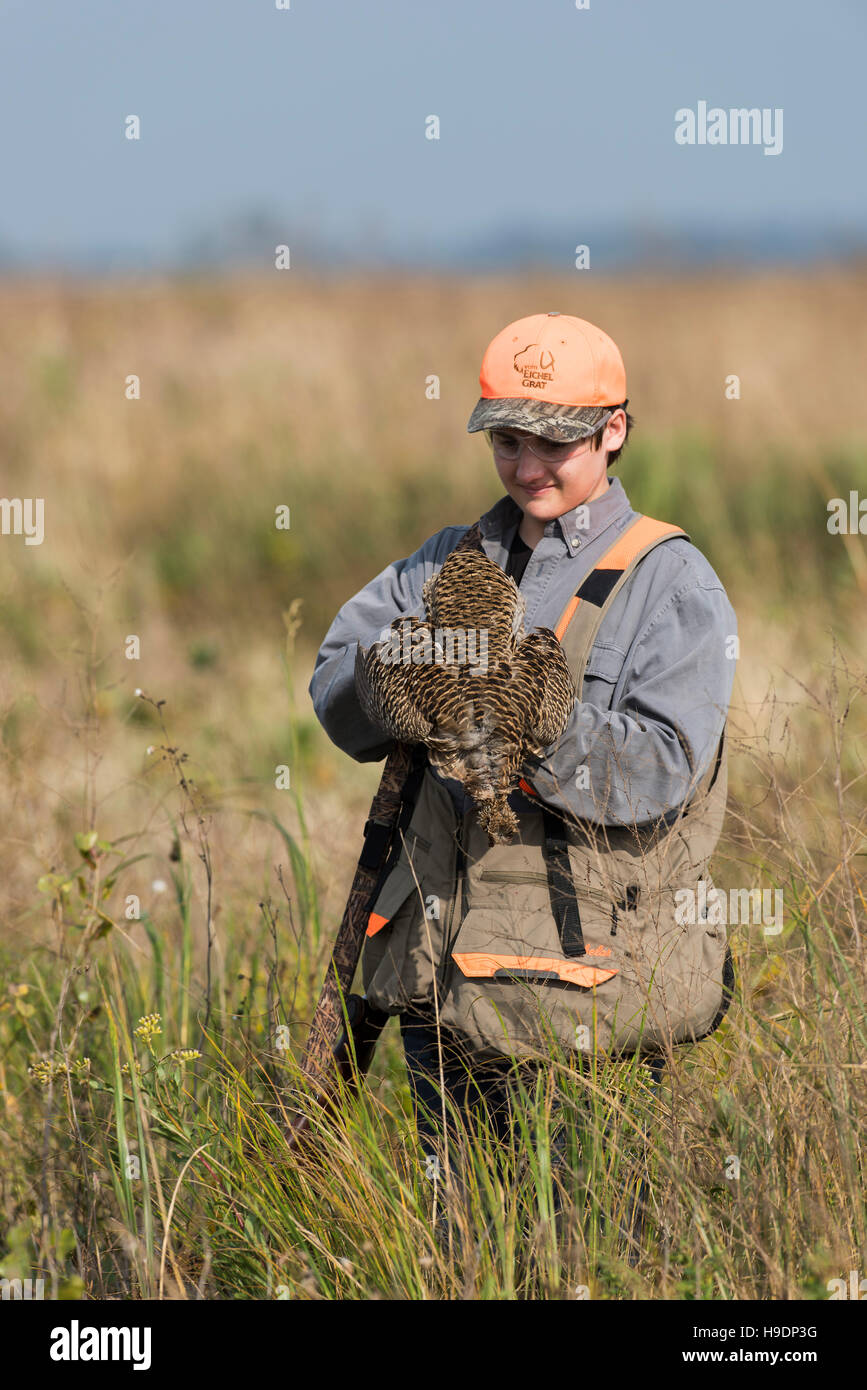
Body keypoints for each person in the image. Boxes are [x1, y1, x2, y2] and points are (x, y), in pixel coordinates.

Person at [308, 311, 737, 1181]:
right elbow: (333, 692)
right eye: (507, 441)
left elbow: (660, 766)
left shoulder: (669, 578)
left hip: (589, 984)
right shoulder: (443, 561)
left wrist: (517, 723)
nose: (528, 466)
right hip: (436, 969)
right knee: (459, 1227)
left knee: (593, 1229)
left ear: (614, 430)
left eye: (556, 442)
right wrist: (395, 685)